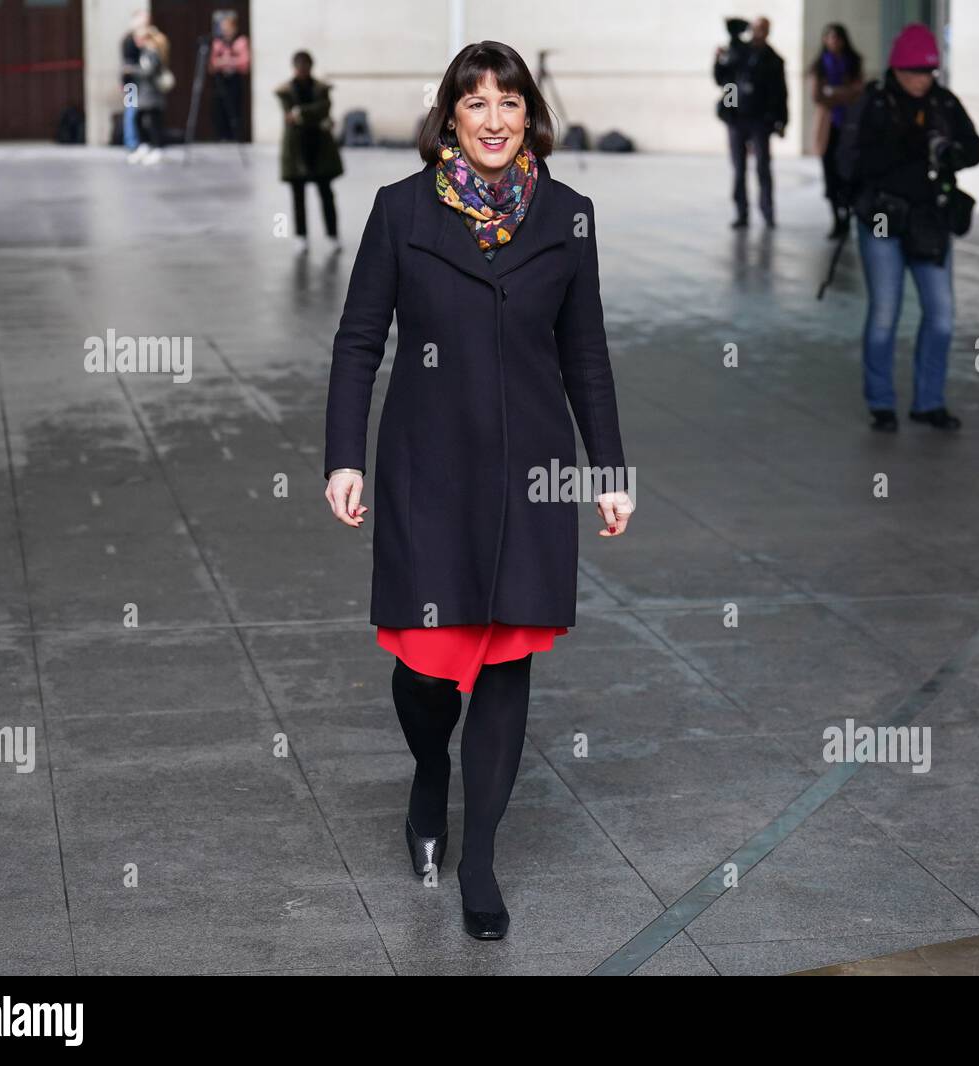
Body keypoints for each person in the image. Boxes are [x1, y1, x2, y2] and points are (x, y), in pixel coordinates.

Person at [322, 40, 634, 940]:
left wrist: (609, 469)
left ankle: (483, 858)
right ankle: (429, 773)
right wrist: (344, 457)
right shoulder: (400, 211)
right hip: (428, 468)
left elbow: (587, 356)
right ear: (450, 116)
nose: (494, 119)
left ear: (530, 114)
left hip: (530, 477)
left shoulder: (569, 217)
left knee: (505, 661)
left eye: (510, 103)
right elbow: (356, 343)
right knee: (427, 667)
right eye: (476, 102)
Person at [838, 23, 979, 432]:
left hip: (929, 221)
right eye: (916, 72)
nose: (923, 80)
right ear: (898, 70)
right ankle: (882, 403)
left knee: (941, 316)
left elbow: (976, 148)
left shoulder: (943, 104)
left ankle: (929, 402)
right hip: (882, 218)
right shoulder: (876, 103)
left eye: (929, 72)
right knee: (885, 313)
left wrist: (949, 152)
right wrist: (909, 148)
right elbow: (852, 164)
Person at [715, 15, 788, 227]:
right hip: (737, 118)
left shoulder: (774, 59)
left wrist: (781, 121)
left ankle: (767, 212)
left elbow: (781, 93)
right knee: (739, 168)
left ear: (768, 31)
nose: (759, 32)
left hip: (760, 120)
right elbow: (725, 80)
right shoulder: (739, 51)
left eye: (763, 29)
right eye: (756, 28)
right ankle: (741, 213)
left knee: (763, 166)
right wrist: (729, 109)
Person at [275, 52, 343, 252]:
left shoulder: (321, 88)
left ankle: (332, 235)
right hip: (297, 149)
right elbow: (292, 115)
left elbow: (324, 109)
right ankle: (301, 236)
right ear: (294, 68)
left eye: (306, 67)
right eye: (300, 67)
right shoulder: (286, 91)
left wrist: (301, 113)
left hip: (319, 148)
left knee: (326, 193)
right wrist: (313, 115)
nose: (303, 71)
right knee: (298, 195)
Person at [808, 23, 864, 238]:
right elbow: (818, 96)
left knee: (848, 172)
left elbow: (858, 92)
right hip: (827, 126)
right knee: (830, 172)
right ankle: (837, 218)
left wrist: (834, 92)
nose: (833, 42)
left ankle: (848, 213)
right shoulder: (820, 66)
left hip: (849, 125)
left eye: (837, 38)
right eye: (829, 37)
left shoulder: (853, 63)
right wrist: (844, 93)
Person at [128, 25, 171, 165]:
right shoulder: (145, 52)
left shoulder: (152, 52)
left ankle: (158, 148)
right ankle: (144, 146)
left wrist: (133, 70)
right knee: (139, 119)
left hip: (152, 93)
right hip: (143, 92)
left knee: (153, 121)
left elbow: (149, 71)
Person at [208, 13, 250, 141]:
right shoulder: (218, 43)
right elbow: (212, 64)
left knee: (235, 108)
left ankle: (236, 136)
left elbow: (245, 63)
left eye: (228, 28)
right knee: (220, 108)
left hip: (235, 80)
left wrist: (227, 61)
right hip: (220, 81)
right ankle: (222, 136)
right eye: (223, 28)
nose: (225, 31)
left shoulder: (241, 41)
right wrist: (226, 61)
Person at [120, 10, 148, 154]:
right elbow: (128, 65)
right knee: (131, 110)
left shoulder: (134, 39)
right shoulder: (130, 40)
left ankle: (135, 140)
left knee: (134, 111)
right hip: (132, 82)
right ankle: (131, 141)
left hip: (137, 81)